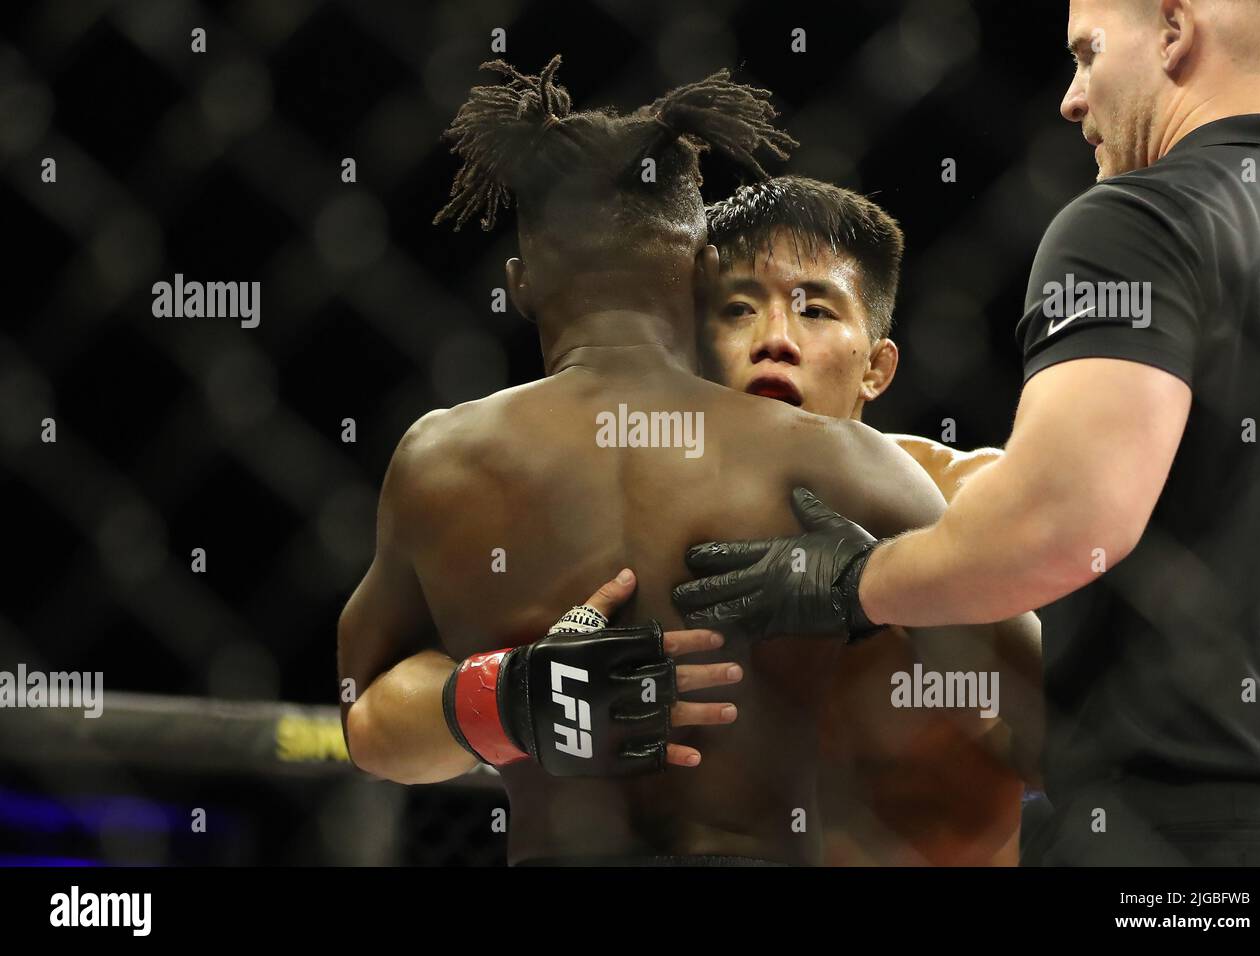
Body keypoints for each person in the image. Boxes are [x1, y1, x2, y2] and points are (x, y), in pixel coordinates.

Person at [338, 56, 1023, 866]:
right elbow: (1043, 704)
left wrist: (504, 698)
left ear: (521, 285)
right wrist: (884, 588)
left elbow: (367, 724)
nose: (777, 337)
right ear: (703, 271)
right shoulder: (846, 467)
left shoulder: (442, 460)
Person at [674, 0, 1260, 865]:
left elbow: (1059, 523)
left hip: (1180, 827)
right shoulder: (603, 491)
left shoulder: (1138, 221)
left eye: (1088, 53)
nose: (1072, 98)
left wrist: (855, 582)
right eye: (739, 308)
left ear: (1173, 29)